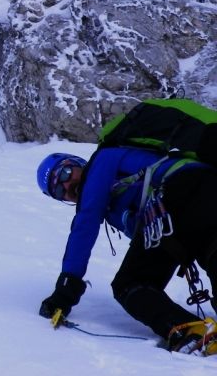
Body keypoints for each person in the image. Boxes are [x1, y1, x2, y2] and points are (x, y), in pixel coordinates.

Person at [37, 149, 217, 355]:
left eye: (65, 174)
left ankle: (195, 334)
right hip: (205, 192)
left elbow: (85, 222)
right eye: (59, 191)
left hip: (183, 187)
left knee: (130, 285)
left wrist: (66, 288)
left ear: (79, 163)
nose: (67, 186)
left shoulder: (103, 161)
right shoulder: (114, 209)